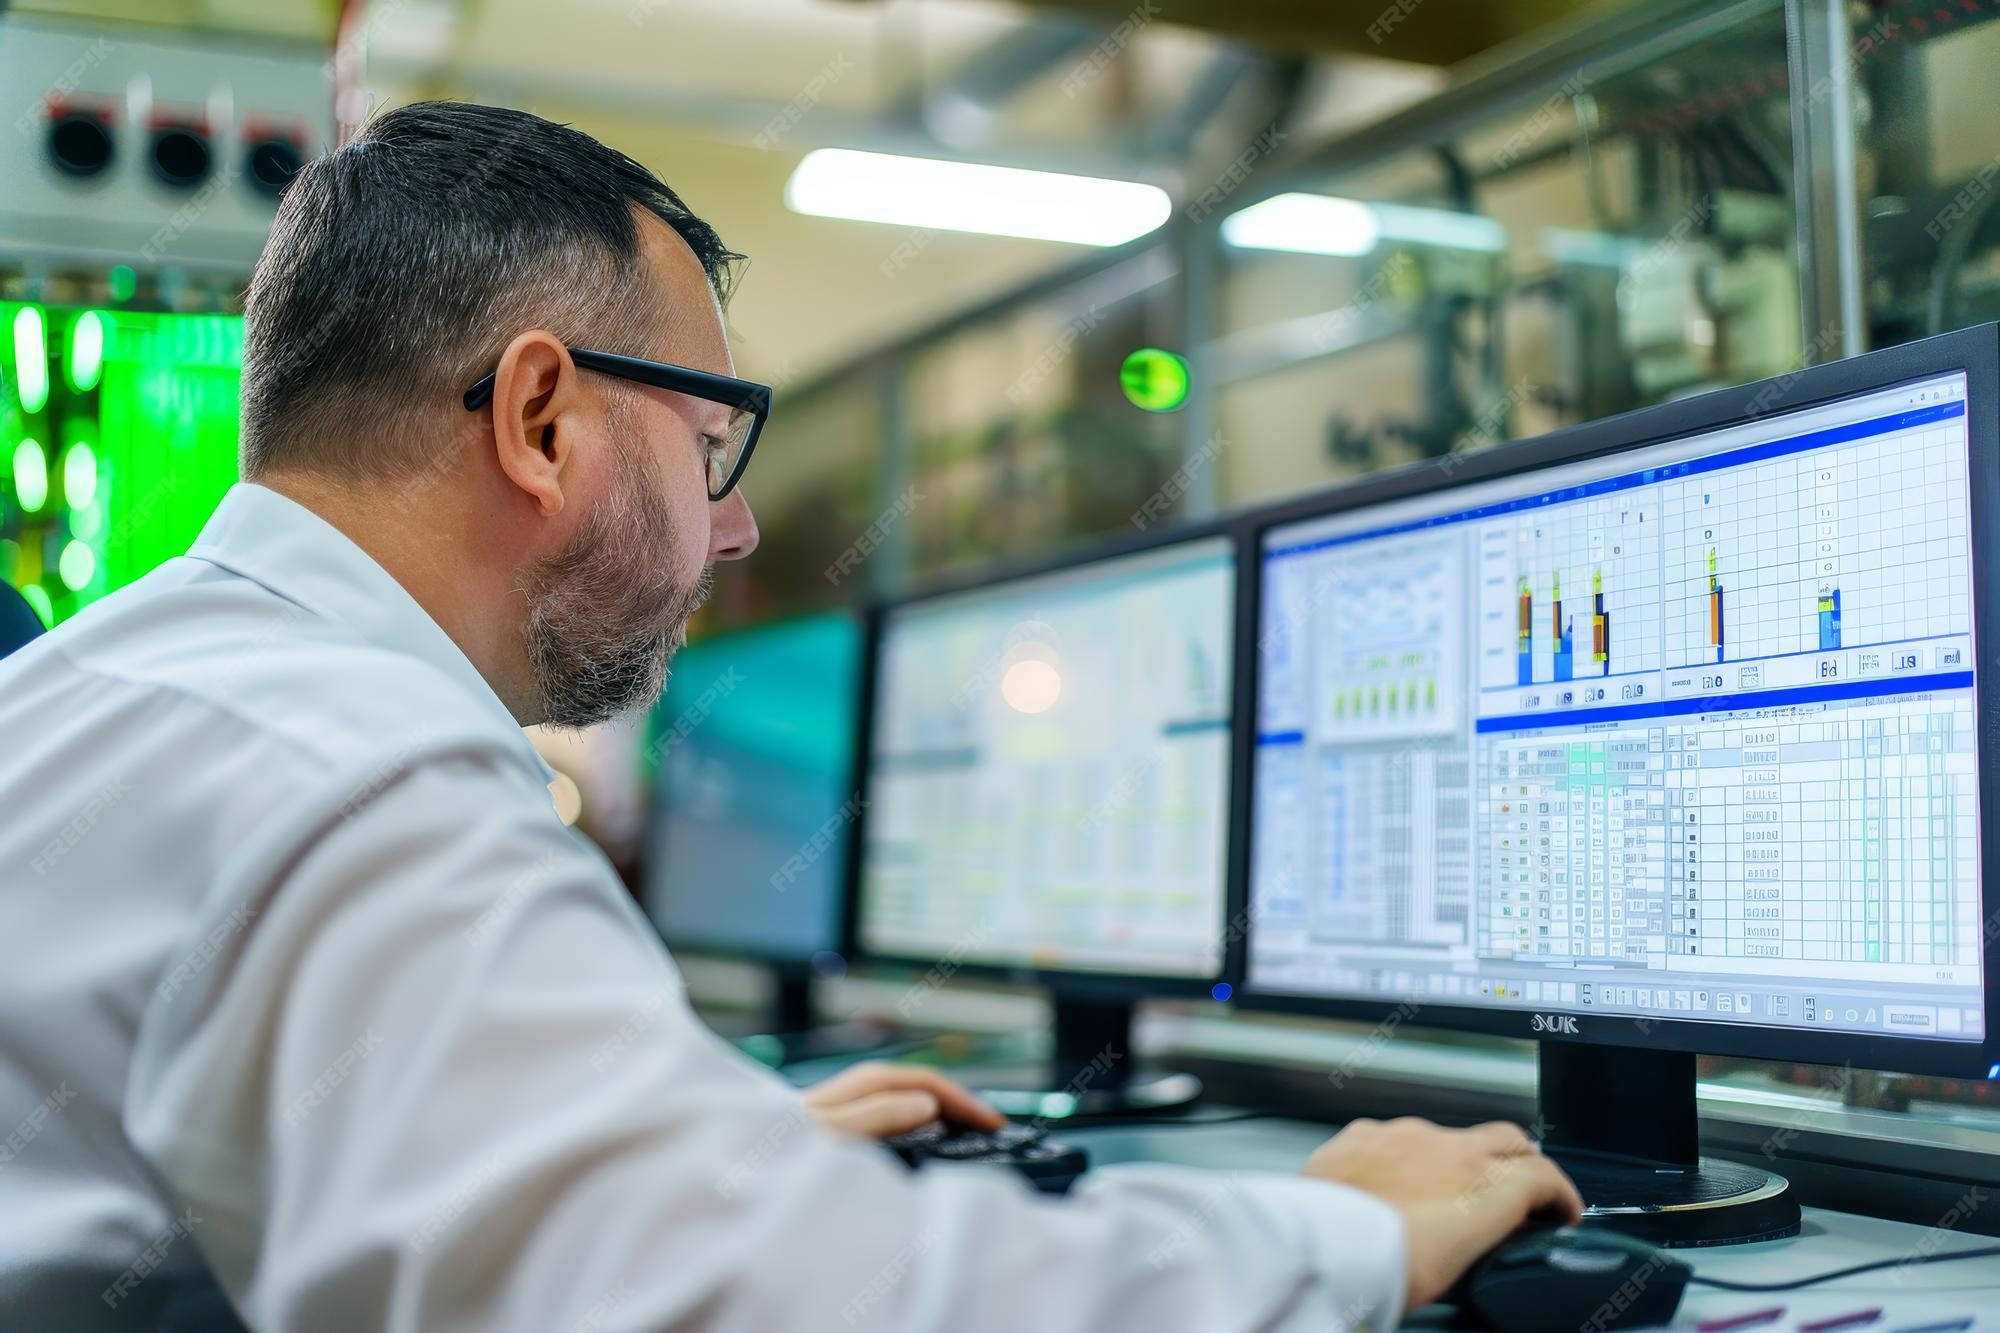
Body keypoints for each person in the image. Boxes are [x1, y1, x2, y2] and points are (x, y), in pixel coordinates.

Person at [0, 101, 1580, 1331]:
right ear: (542, 419)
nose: (735, 529)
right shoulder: (361, 782)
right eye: (712, 440)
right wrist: (1349, 1229)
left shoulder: (96, 692)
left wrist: (668, 1166)